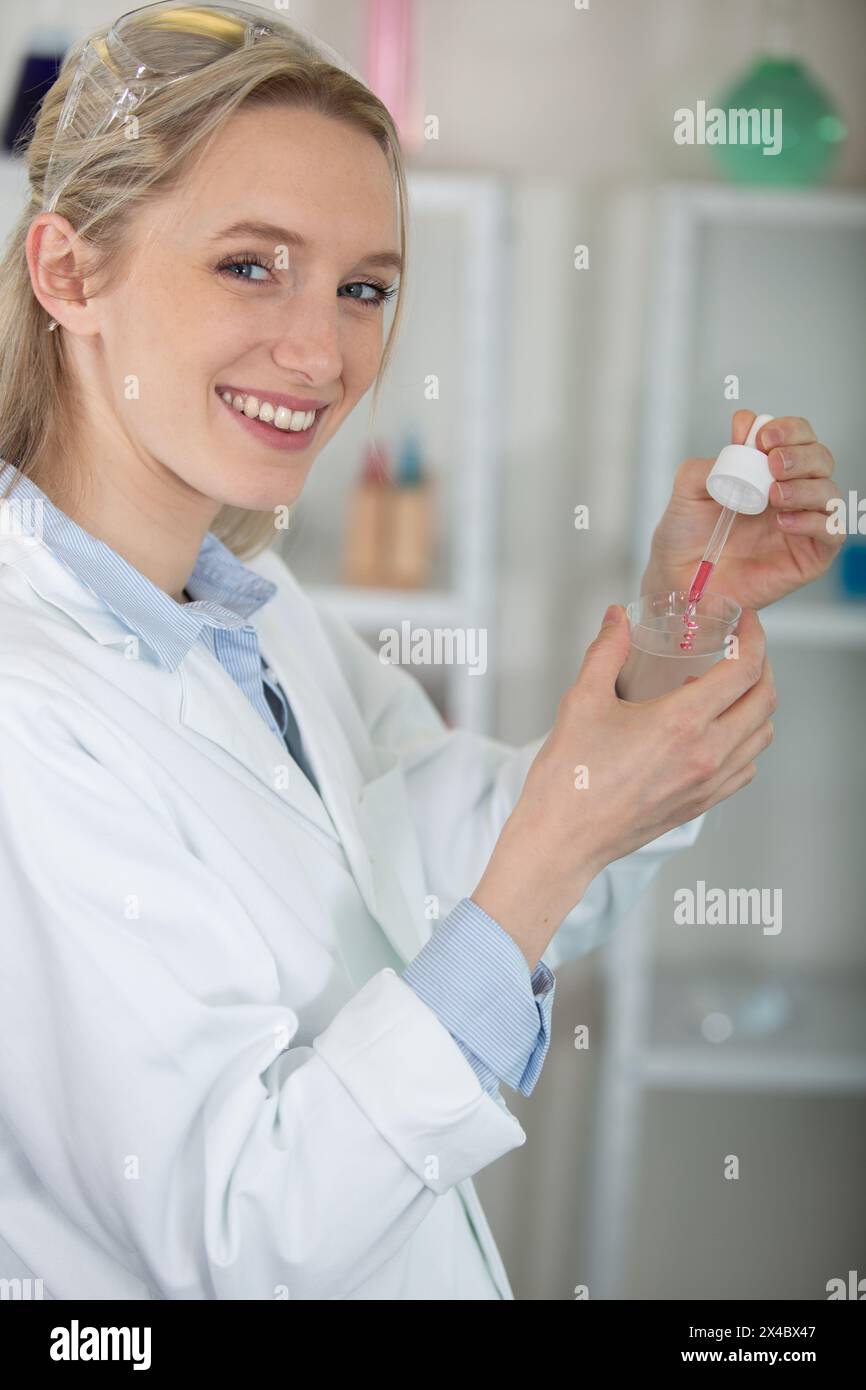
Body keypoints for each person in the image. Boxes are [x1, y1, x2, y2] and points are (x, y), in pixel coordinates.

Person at [0, 2, 843, 1301]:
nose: (322, 349)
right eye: (249, 263)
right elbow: (243, 1235)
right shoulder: (27, 704)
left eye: (362, 288)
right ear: (69, 275)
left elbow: (471, 858)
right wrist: (550, 852)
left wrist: (682, 622)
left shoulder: (253, 614)